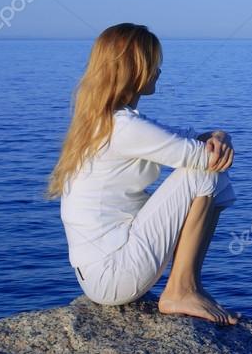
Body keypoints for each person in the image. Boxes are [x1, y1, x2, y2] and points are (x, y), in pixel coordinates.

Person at [46, 23, 239, 324]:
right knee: (206, 175)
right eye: (154, 62)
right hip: (113, 273)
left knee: (205, 171)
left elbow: (190, 138)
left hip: (102, 274)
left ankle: (188, 285)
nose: (160, 69)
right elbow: (204, 157)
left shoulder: (106, 121)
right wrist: (218, 142)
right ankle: (181, 289)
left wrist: (219, 134)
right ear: (135, 68)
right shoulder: (124, 128)